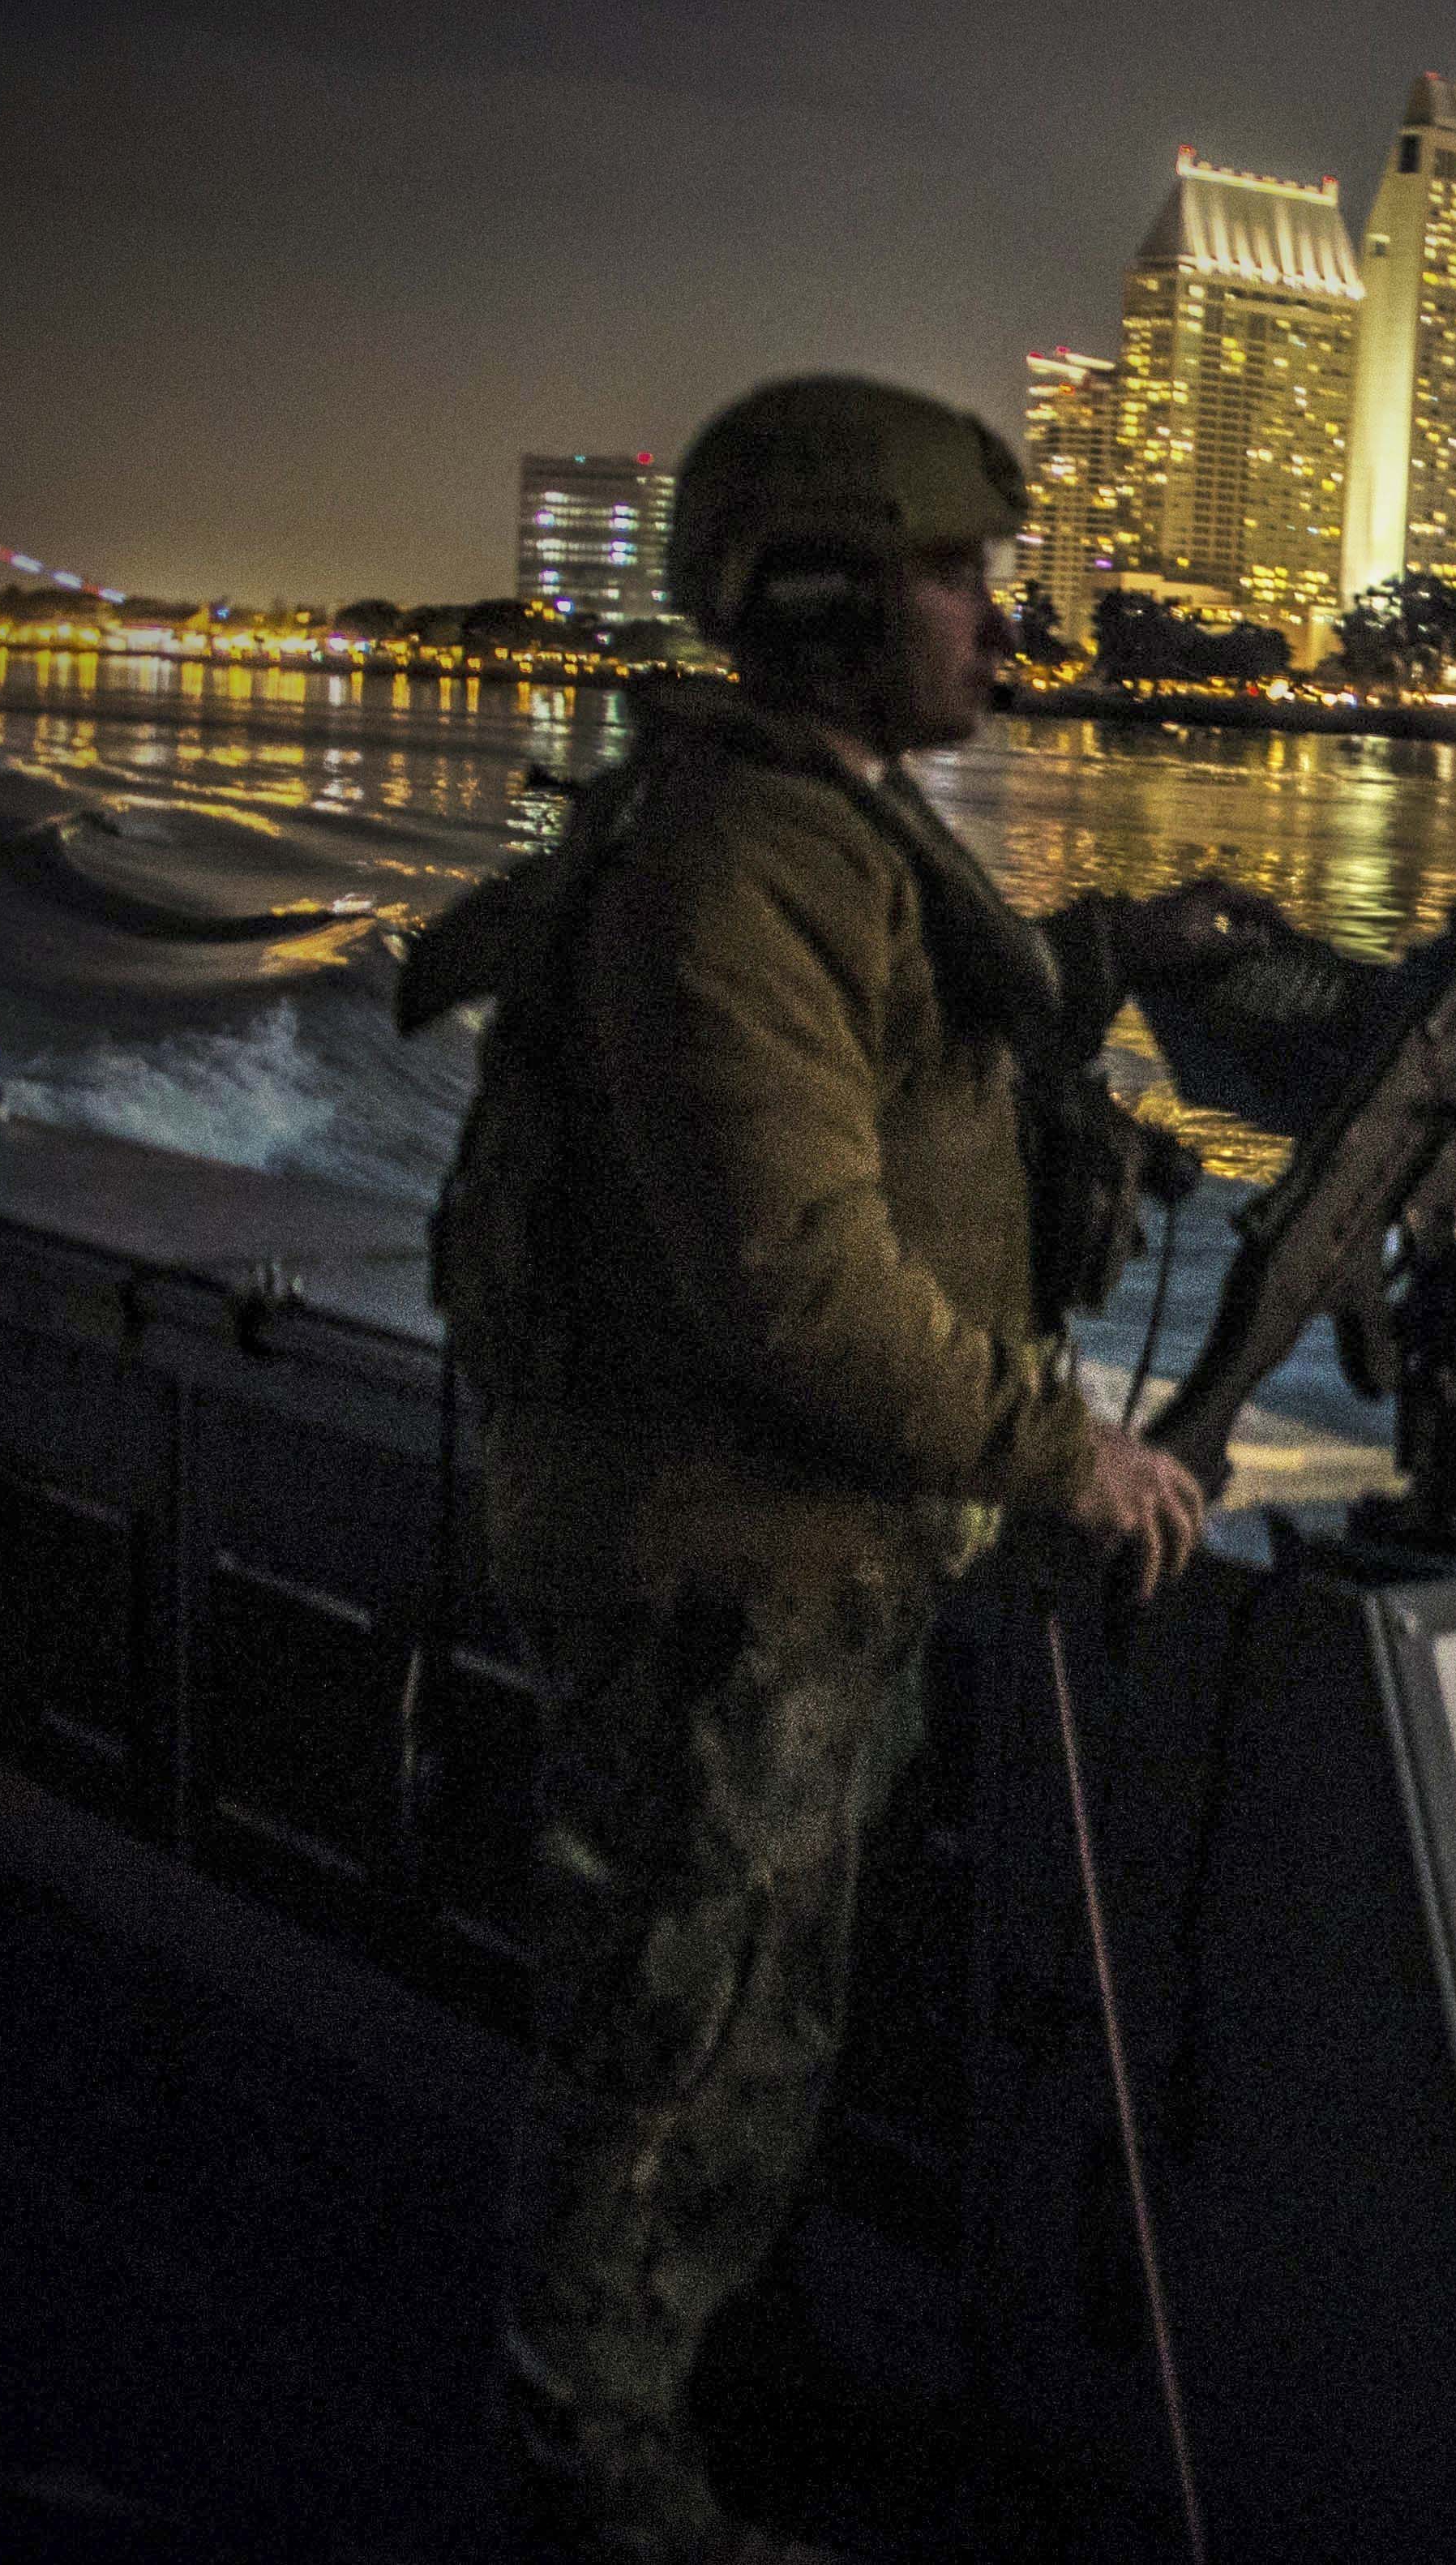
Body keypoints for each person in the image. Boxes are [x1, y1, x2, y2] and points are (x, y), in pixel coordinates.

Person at [437, 372, 1208, 2565]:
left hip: (804, 1558)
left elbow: (905, 1038)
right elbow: (791, 1269)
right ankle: (595, 2479)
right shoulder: (739, 854)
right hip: (718, 1565)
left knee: (753, 2035)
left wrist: (1110, 964)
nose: (996, 617)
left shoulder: (809, 826)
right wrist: (1065, 1449)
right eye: (958, 576)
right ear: (824, 597)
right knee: (670, 2054)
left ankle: (706, 2389)